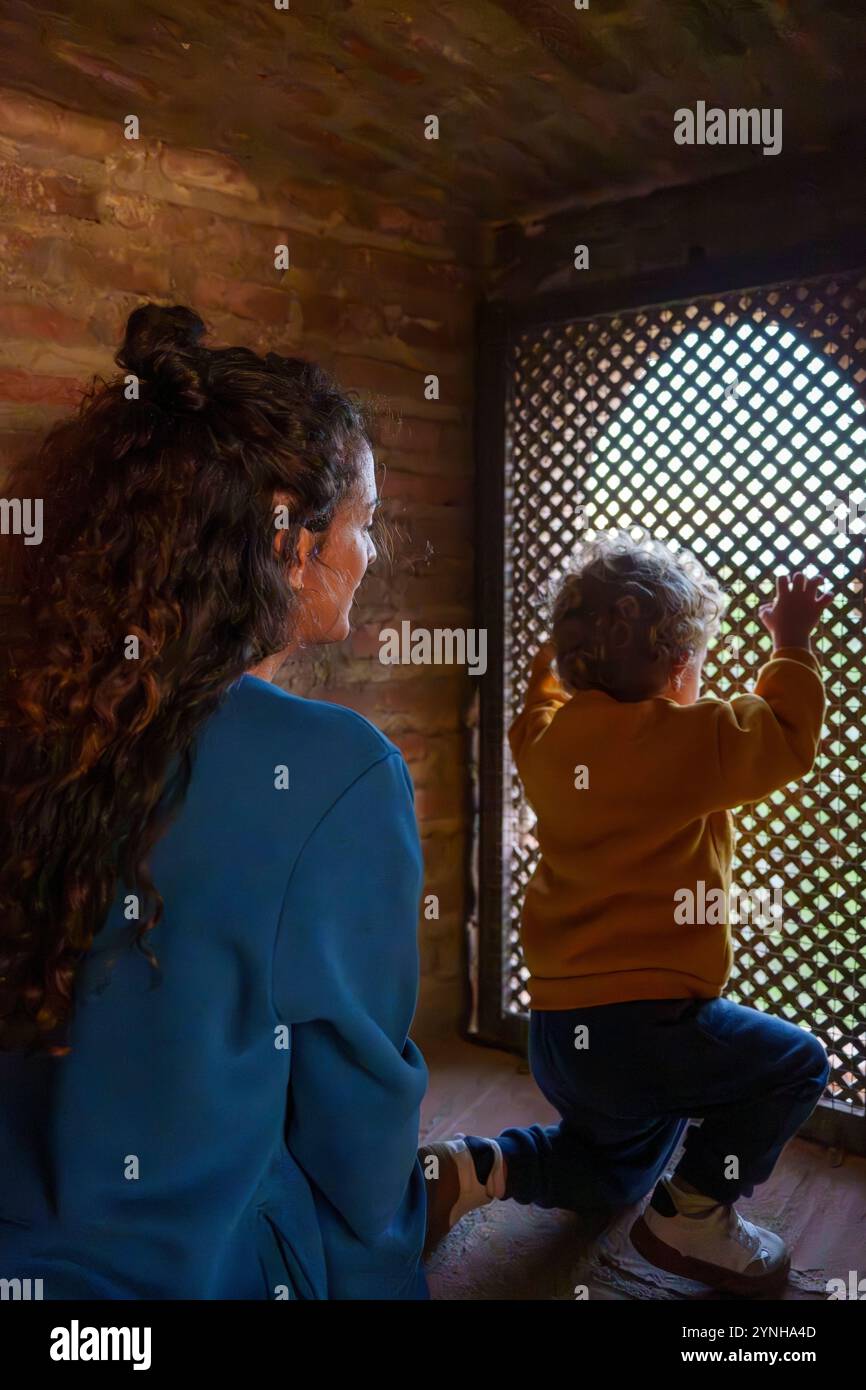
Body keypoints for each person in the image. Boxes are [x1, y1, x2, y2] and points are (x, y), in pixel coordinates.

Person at [0, 303, 428, 1300]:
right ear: (288, 537)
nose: (369, 553)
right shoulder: (337, 773)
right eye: (361, 522)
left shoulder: (37, 723)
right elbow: (356, 1123)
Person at [423, 532, 831, 1296]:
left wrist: (557, 657)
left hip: (562, 1034)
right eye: (696, 658)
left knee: (615, 1172)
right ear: (679, 664)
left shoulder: (548, 741)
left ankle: (477, 1167)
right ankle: (696, 1212)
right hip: (649, 1031)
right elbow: (784, 738)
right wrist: (792, 647)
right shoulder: (689, 738)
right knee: (797, 1063)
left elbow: (533, 706)